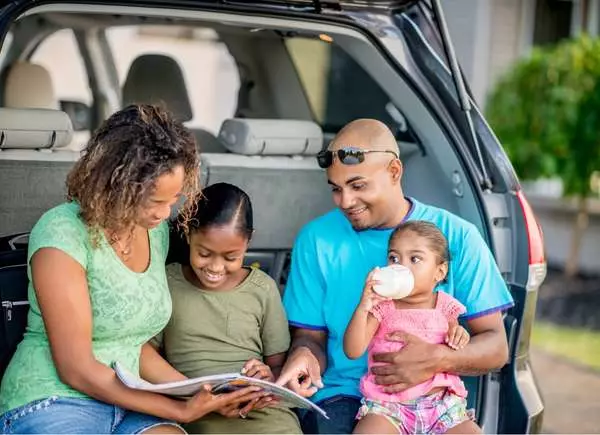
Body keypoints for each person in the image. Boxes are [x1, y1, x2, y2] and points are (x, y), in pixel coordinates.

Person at [0, 105, 263, 434]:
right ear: (115, 183)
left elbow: (133, 342)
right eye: (154, 201)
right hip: (55, 399)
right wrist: (179, 410)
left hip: (131, 401)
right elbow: (76, 369)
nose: (165, 214)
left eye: (174, 199)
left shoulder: (156, 232)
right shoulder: (61, 234)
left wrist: (207, 393)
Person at [276, 119, 514, 434]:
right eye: (336, 189)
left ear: (394, 172)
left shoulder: (458, 237)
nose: (345, 202)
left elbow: (496, 347)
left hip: (436, 396)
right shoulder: (316, 239)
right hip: (345, 395)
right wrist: (303, 356)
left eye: (358, 185)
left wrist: (436, 359)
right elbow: (310, 338)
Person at [156, 182, 302, 434]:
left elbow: (277, 365)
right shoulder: (167, 282)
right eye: (204, 253)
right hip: (197, 412)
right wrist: (194, 395)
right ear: (189, 234)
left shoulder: (262, 289)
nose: (215, 267)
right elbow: (146, 352)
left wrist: (266, 375)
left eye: (230, 257)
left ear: (248, 242)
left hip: (262, 413)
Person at [344, 221, 479, 434]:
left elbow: (456, 340)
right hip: (388, 407)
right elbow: (353, 350)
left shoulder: (445, 306)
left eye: (414, 259)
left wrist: (460, 334)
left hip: (443, 406)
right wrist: (363, 307)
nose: (401, 266)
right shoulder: (383, 307)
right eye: (394, 258)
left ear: (440, 271)